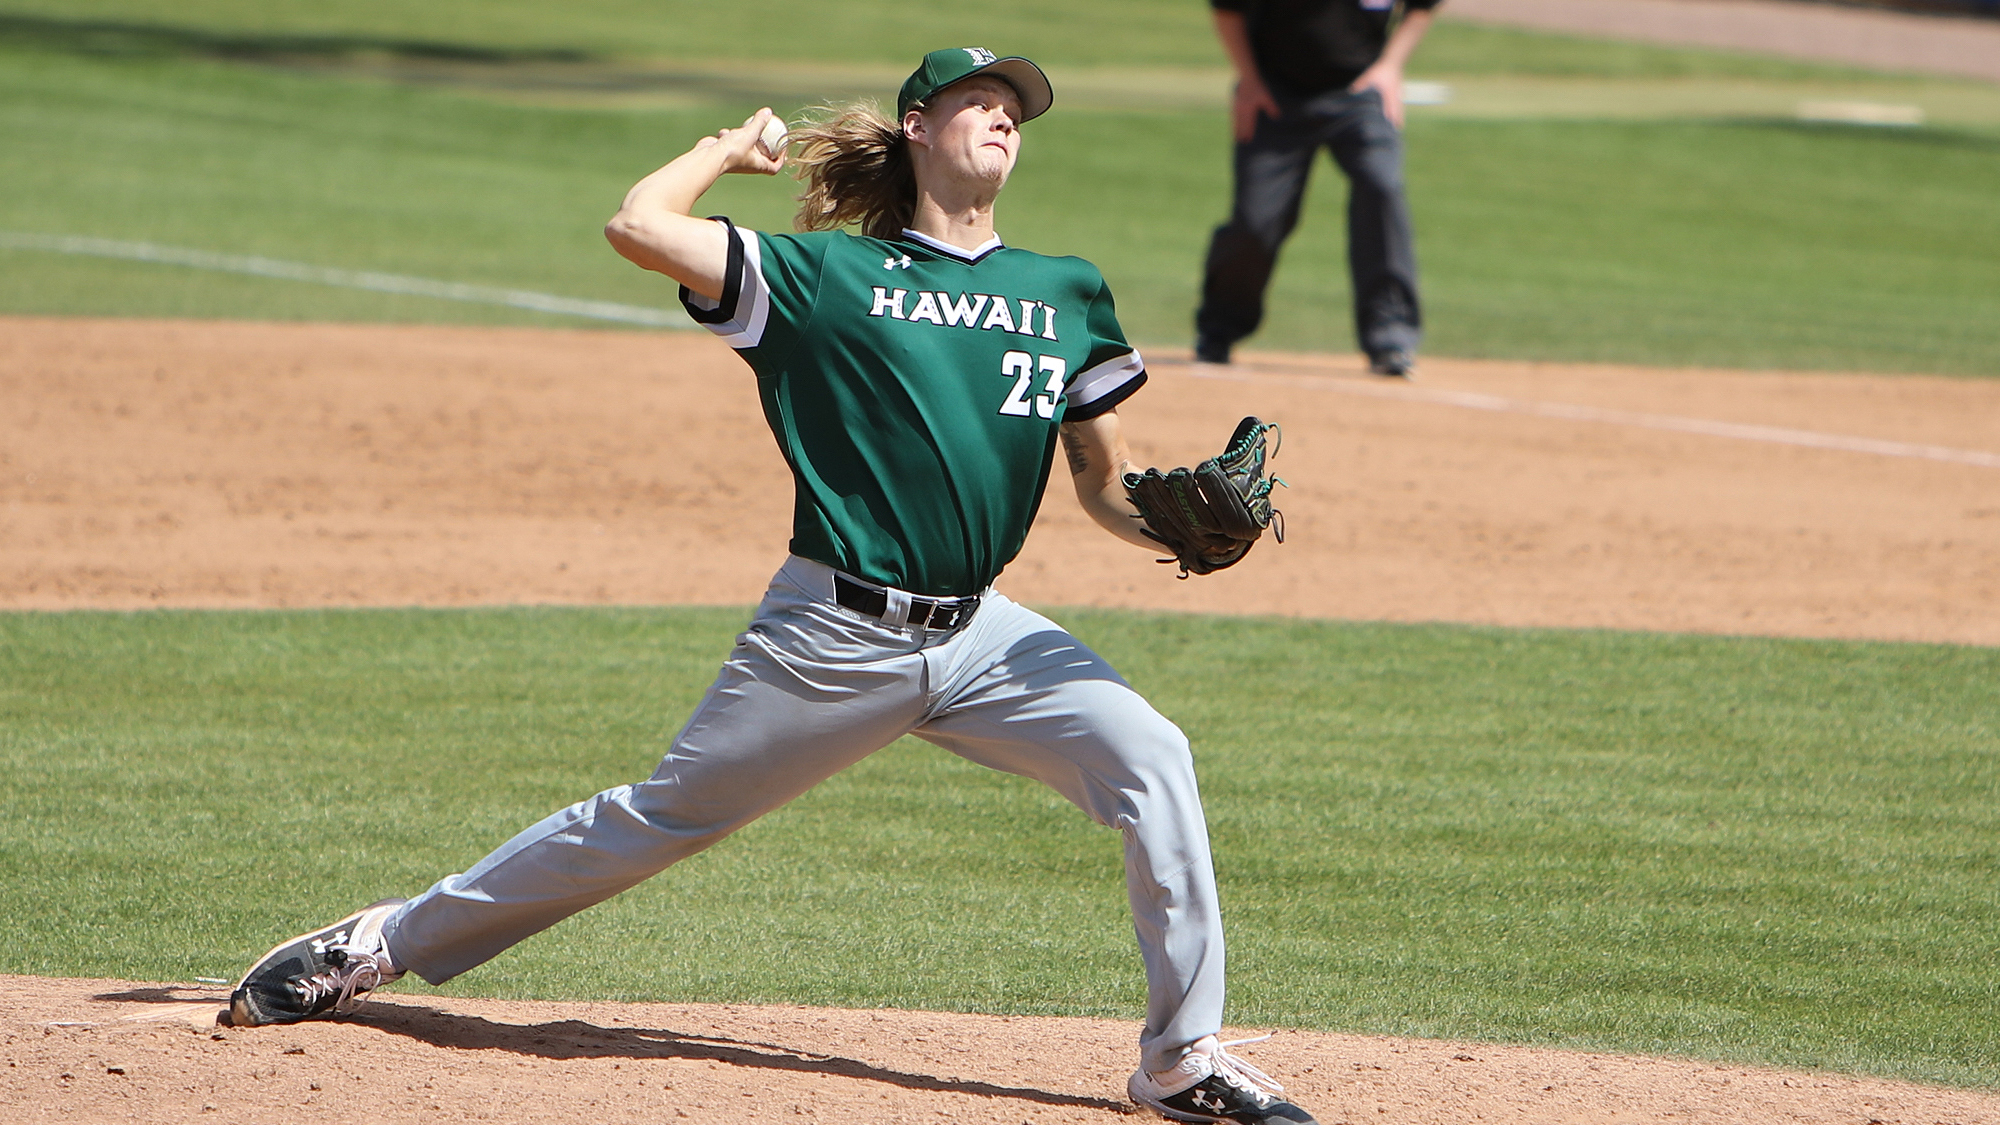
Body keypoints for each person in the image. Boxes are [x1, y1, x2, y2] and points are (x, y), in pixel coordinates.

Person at [226, 47, 1316, 1125]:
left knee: (1152, 757)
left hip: (985, 637)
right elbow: (638, 228)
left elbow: (1102, 483)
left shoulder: (1064, 292)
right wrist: (721, 150)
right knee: (658, 819)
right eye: (974, 102)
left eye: (1013, 109)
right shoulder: (826, 278)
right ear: (916, 132)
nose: (1001, 120)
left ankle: (1179, 1059)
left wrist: (1170, 533)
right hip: (832, 634)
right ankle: (380, 942)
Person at [1194, 0, 1439, 377]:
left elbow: (1423, 5)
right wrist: (1250, 78)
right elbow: (1228, 10)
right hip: (1276, 95)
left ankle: (1391, 337)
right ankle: (1219, 330)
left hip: (1360, 92)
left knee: (1382, 186)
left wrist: (1390, 66)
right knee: (1255, 223)